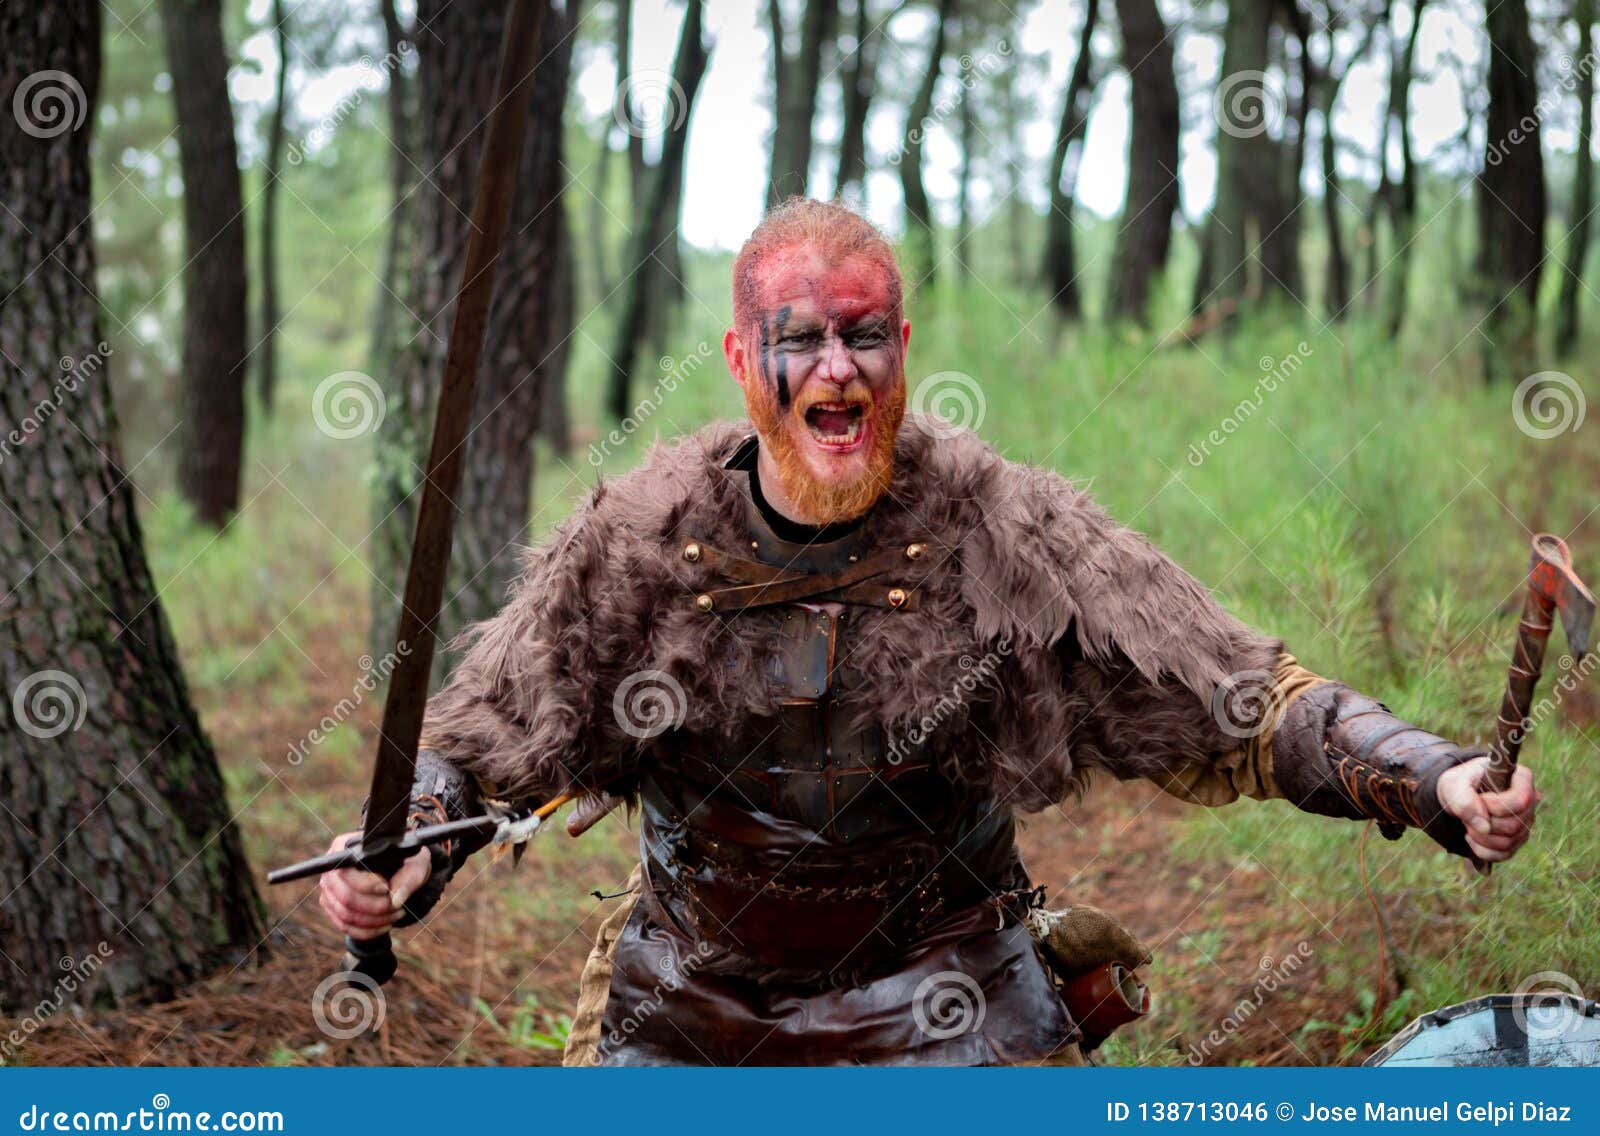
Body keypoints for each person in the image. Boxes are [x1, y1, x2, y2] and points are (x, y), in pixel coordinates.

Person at [318, 199, 1537, 1066]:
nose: (836, 370)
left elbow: (1246, 704)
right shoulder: (639, 544)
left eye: (865, 334)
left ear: (903, 350)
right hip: (688, 1014)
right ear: (745, 358)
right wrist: (407, 843)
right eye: (802, 337)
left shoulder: (1007, 529)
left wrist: (1432, 777)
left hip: (949, 1004)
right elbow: (484, 747)